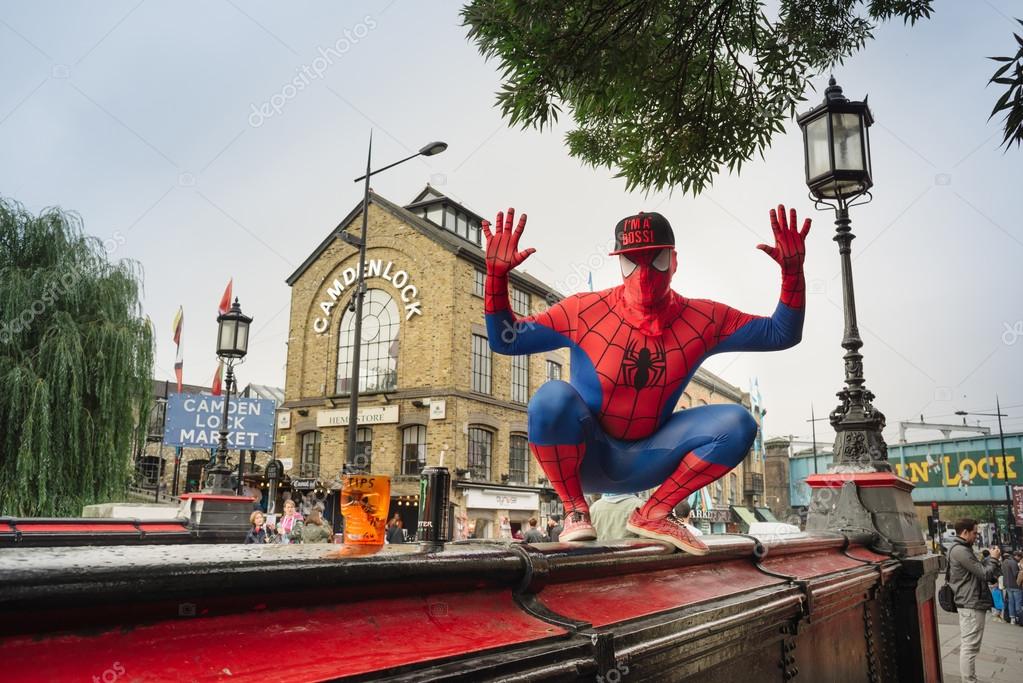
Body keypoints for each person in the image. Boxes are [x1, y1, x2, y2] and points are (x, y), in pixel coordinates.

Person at [482, 206, 808, 554]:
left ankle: (655, 512)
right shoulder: (583, 311)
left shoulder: (703, 318)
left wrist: (792, 273)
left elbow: (780, 333)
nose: (644, 274)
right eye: (631, 262)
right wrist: (496, 278)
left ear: (674, 261)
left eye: (657, 260)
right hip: (585, 457)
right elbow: (507, 339)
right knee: (551, 398)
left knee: (739, 422)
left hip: (653, 457)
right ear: (619, 264)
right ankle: (575, 509)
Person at [948, 518, 1002, 683]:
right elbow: (984, 574)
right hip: (971, 603)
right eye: (974, 532)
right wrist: (994, 559)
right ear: (965, 532)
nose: (976, 536)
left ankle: (970, 680)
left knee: (969, 646)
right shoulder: (961, 551)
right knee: (970, 648)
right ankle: (969, 681)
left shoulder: (962, 549)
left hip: (969, 602)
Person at [1001, 550, 1022, 625]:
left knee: (1011, 602)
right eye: (1020, 557)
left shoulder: (1005, 562)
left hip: (1008, 585)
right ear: (1017, 556)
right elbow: (1016, 574)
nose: (1020, 559)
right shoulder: (1014, 563)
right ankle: (1019, 618)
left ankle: (1012, 618)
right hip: (1016, 586)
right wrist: (1021, 571)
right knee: (1018, 603)